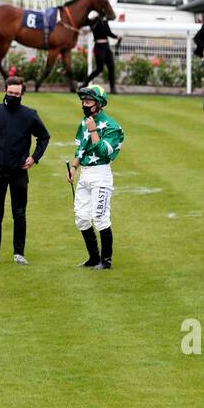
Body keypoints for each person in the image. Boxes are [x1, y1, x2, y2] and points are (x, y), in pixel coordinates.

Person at [0, 75, 50, 267]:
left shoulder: (29, 115)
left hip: (19, 172)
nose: (13, 96)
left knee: (19, 213)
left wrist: (34, 158)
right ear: (5, 91)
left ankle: (19, 253)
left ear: (22, 94)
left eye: (17, 94)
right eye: (10, 93)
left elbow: (44, 136)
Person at [69, 84, 124, 269]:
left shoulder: (112, 127)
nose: (85, 104)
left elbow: (104, 152)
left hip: (101, 174)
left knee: (100, 217)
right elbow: (81, 148)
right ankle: (94, 257)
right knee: (82, 217)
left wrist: (93, 131)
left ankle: (106, 261)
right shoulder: (84, 122)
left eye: (89, 101)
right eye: (83, 101)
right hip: (84, 174)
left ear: (99, 103)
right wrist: (74, 166)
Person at [82, 9, 121, 93]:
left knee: (111, 67)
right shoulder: (94, 21)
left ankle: (112, 88)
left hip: (106, 46)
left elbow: (108, 32)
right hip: (99, 47)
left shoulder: (104, 21)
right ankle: (85, 83)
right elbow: (106, 31)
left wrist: (116, 37)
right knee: (99, 68)